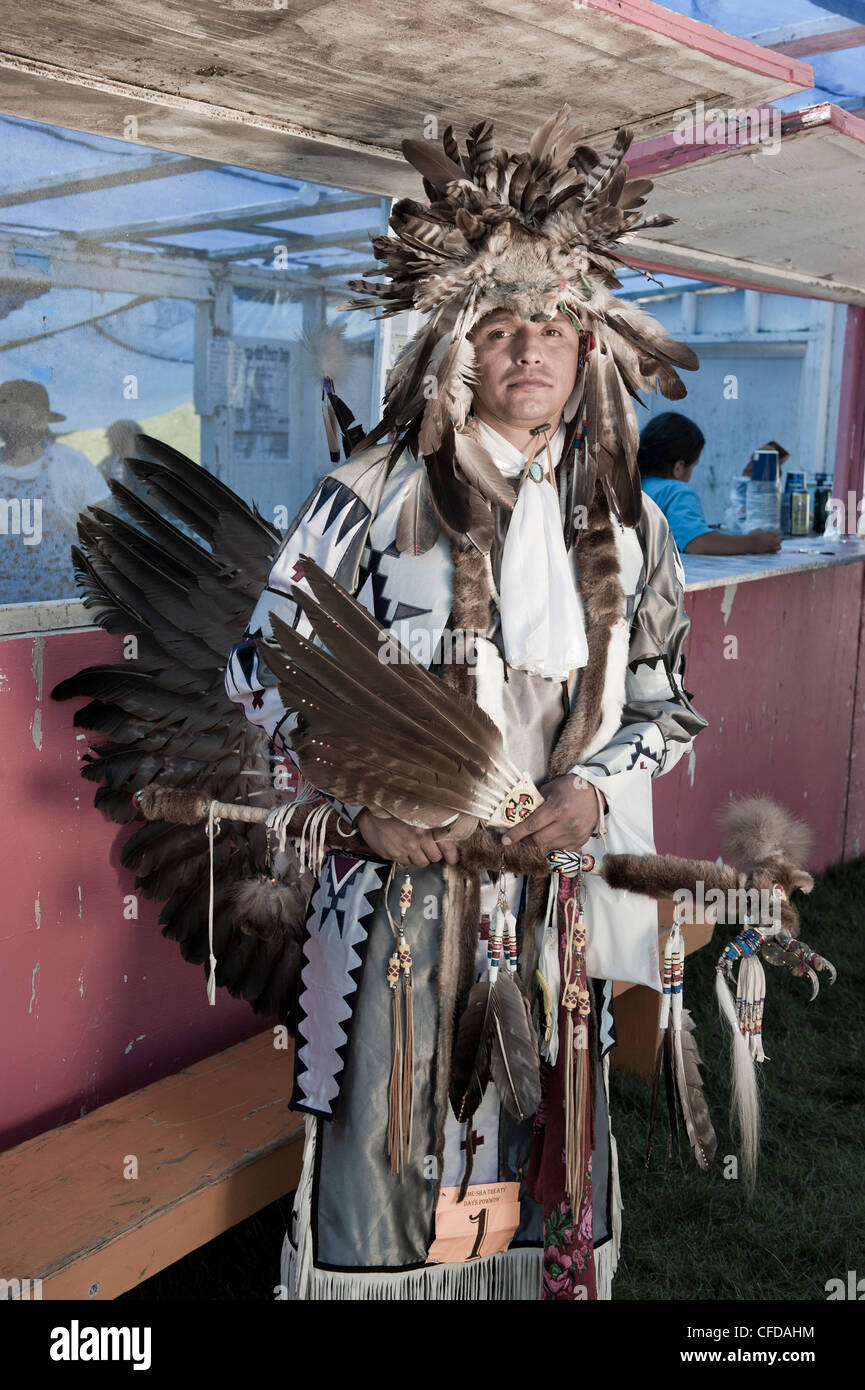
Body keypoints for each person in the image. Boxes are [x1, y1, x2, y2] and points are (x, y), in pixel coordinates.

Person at [224, 107, 708, 1301]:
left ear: (587, 349)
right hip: (401, 899)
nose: (528, 349)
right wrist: (357, 797)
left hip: (554, 902)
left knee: (548, 1139)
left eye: (552, 326)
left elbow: (666, 699)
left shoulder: (628, 523)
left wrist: (594, 786)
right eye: (499, 326)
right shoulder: (368, 495)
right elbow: (262, 666)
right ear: (456, 346)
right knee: (393, 1146)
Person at [0, 379, 110, 604]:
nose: (9, 421)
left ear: (41, 419)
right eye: (5, 413)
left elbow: (102, 530)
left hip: (63, 602)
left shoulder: (70, 464)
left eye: (18, 412)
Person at [638, 411, 781, 555]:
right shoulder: (675, 491)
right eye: (694, 466)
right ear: (678, 468)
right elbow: (698, 543)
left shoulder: (634, 485)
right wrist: (753, 543)